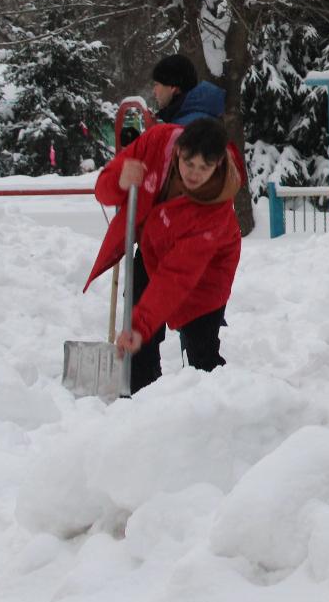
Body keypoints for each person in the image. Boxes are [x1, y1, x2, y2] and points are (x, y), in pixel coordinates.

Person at [87, 116, 243, 393]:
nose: (194, 174)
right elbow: (103, 189)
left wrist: (142, 324)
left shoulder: (215, 208)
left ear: (218, 163)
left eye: (204, 167)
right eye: (188, 163)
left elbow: (176, 276)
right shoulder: (158, 142)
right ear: (178, 151)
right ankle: (140, 400)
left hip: (206, 269)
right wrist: (119, 180)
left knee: (200, 345)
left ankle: (216, 409)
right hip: (152, 249)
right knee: (137, 336)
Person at [150, 53, 227, 127]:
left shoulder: (189, 127)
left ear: (172, 87)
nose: (154, 91)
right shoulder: (193, 119)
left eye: (157, 84)